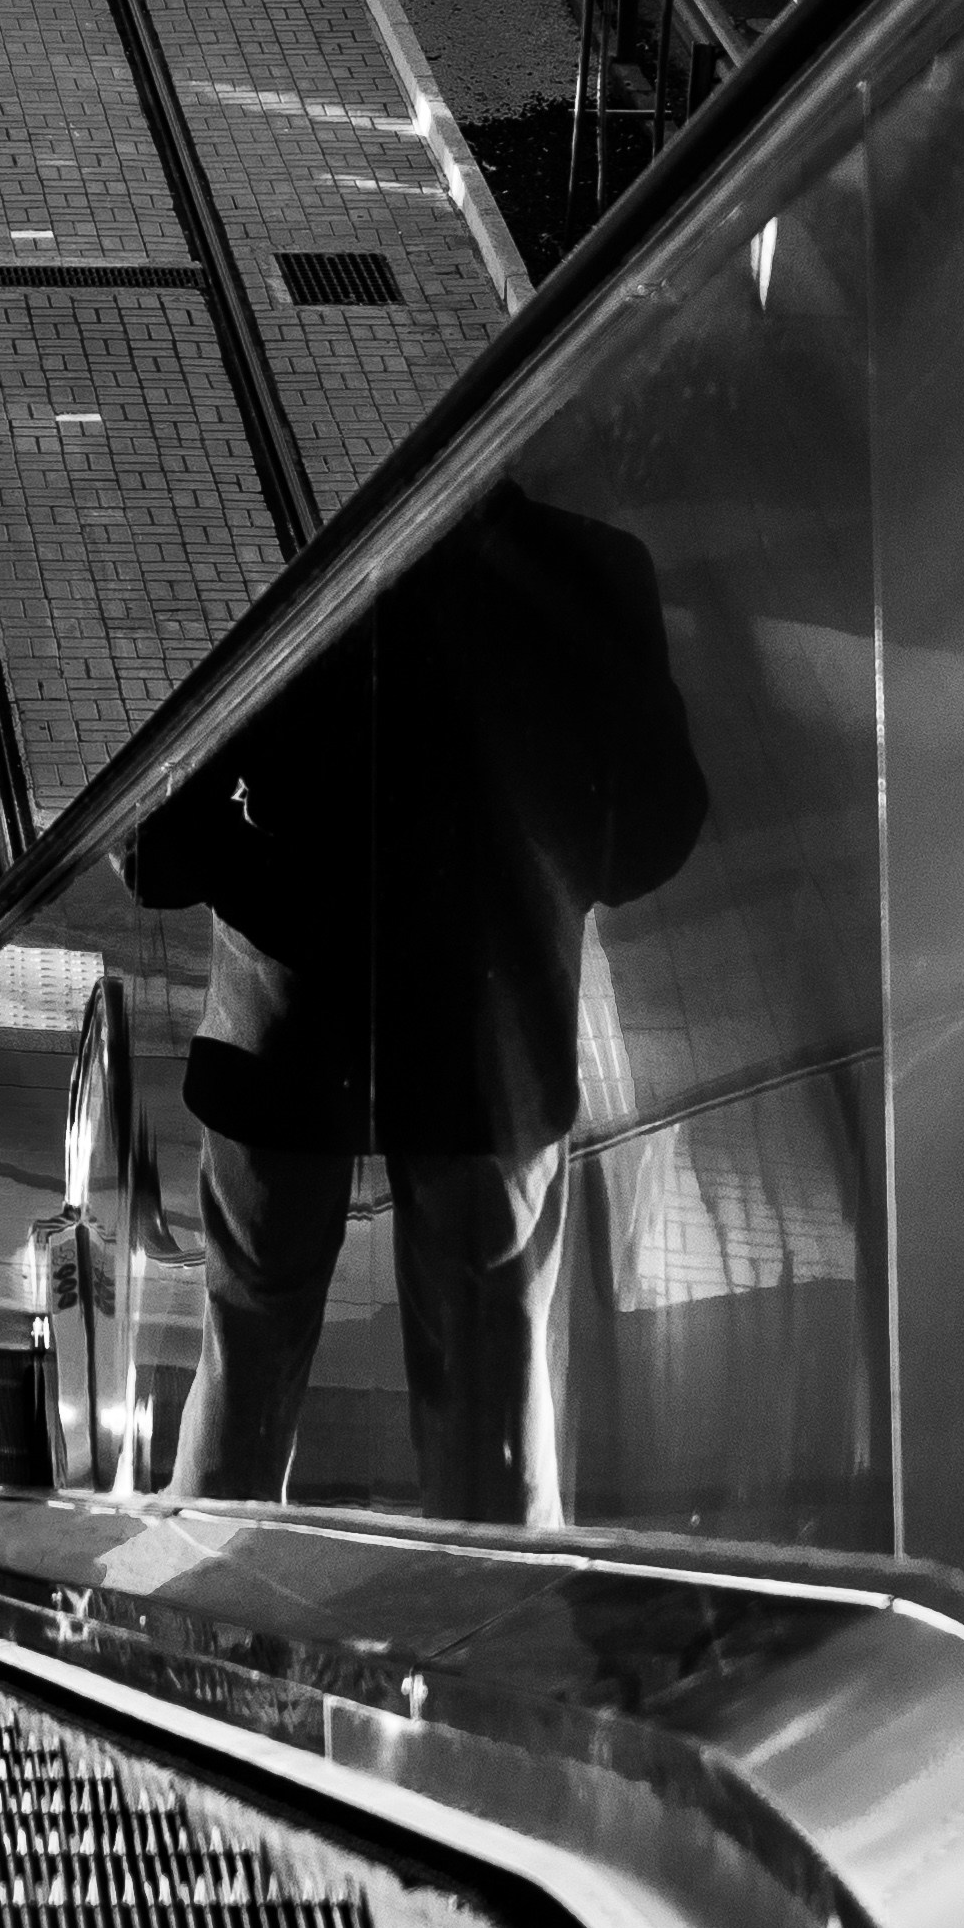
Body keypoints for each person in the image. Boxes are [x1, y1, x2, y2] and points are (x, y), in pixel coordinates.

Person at [119, 484, 701, 1516]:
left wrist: (273, 854)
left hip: (284, 1046)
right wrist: (532, 876)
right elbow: (659, 825)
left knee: (249, 1348)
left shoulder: (295, 575)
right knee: (492, 1389)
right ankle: (484, 1607)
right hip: (491, 1051)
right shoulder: (596, 569)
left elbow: (154, 849)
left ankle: (209, 1588)